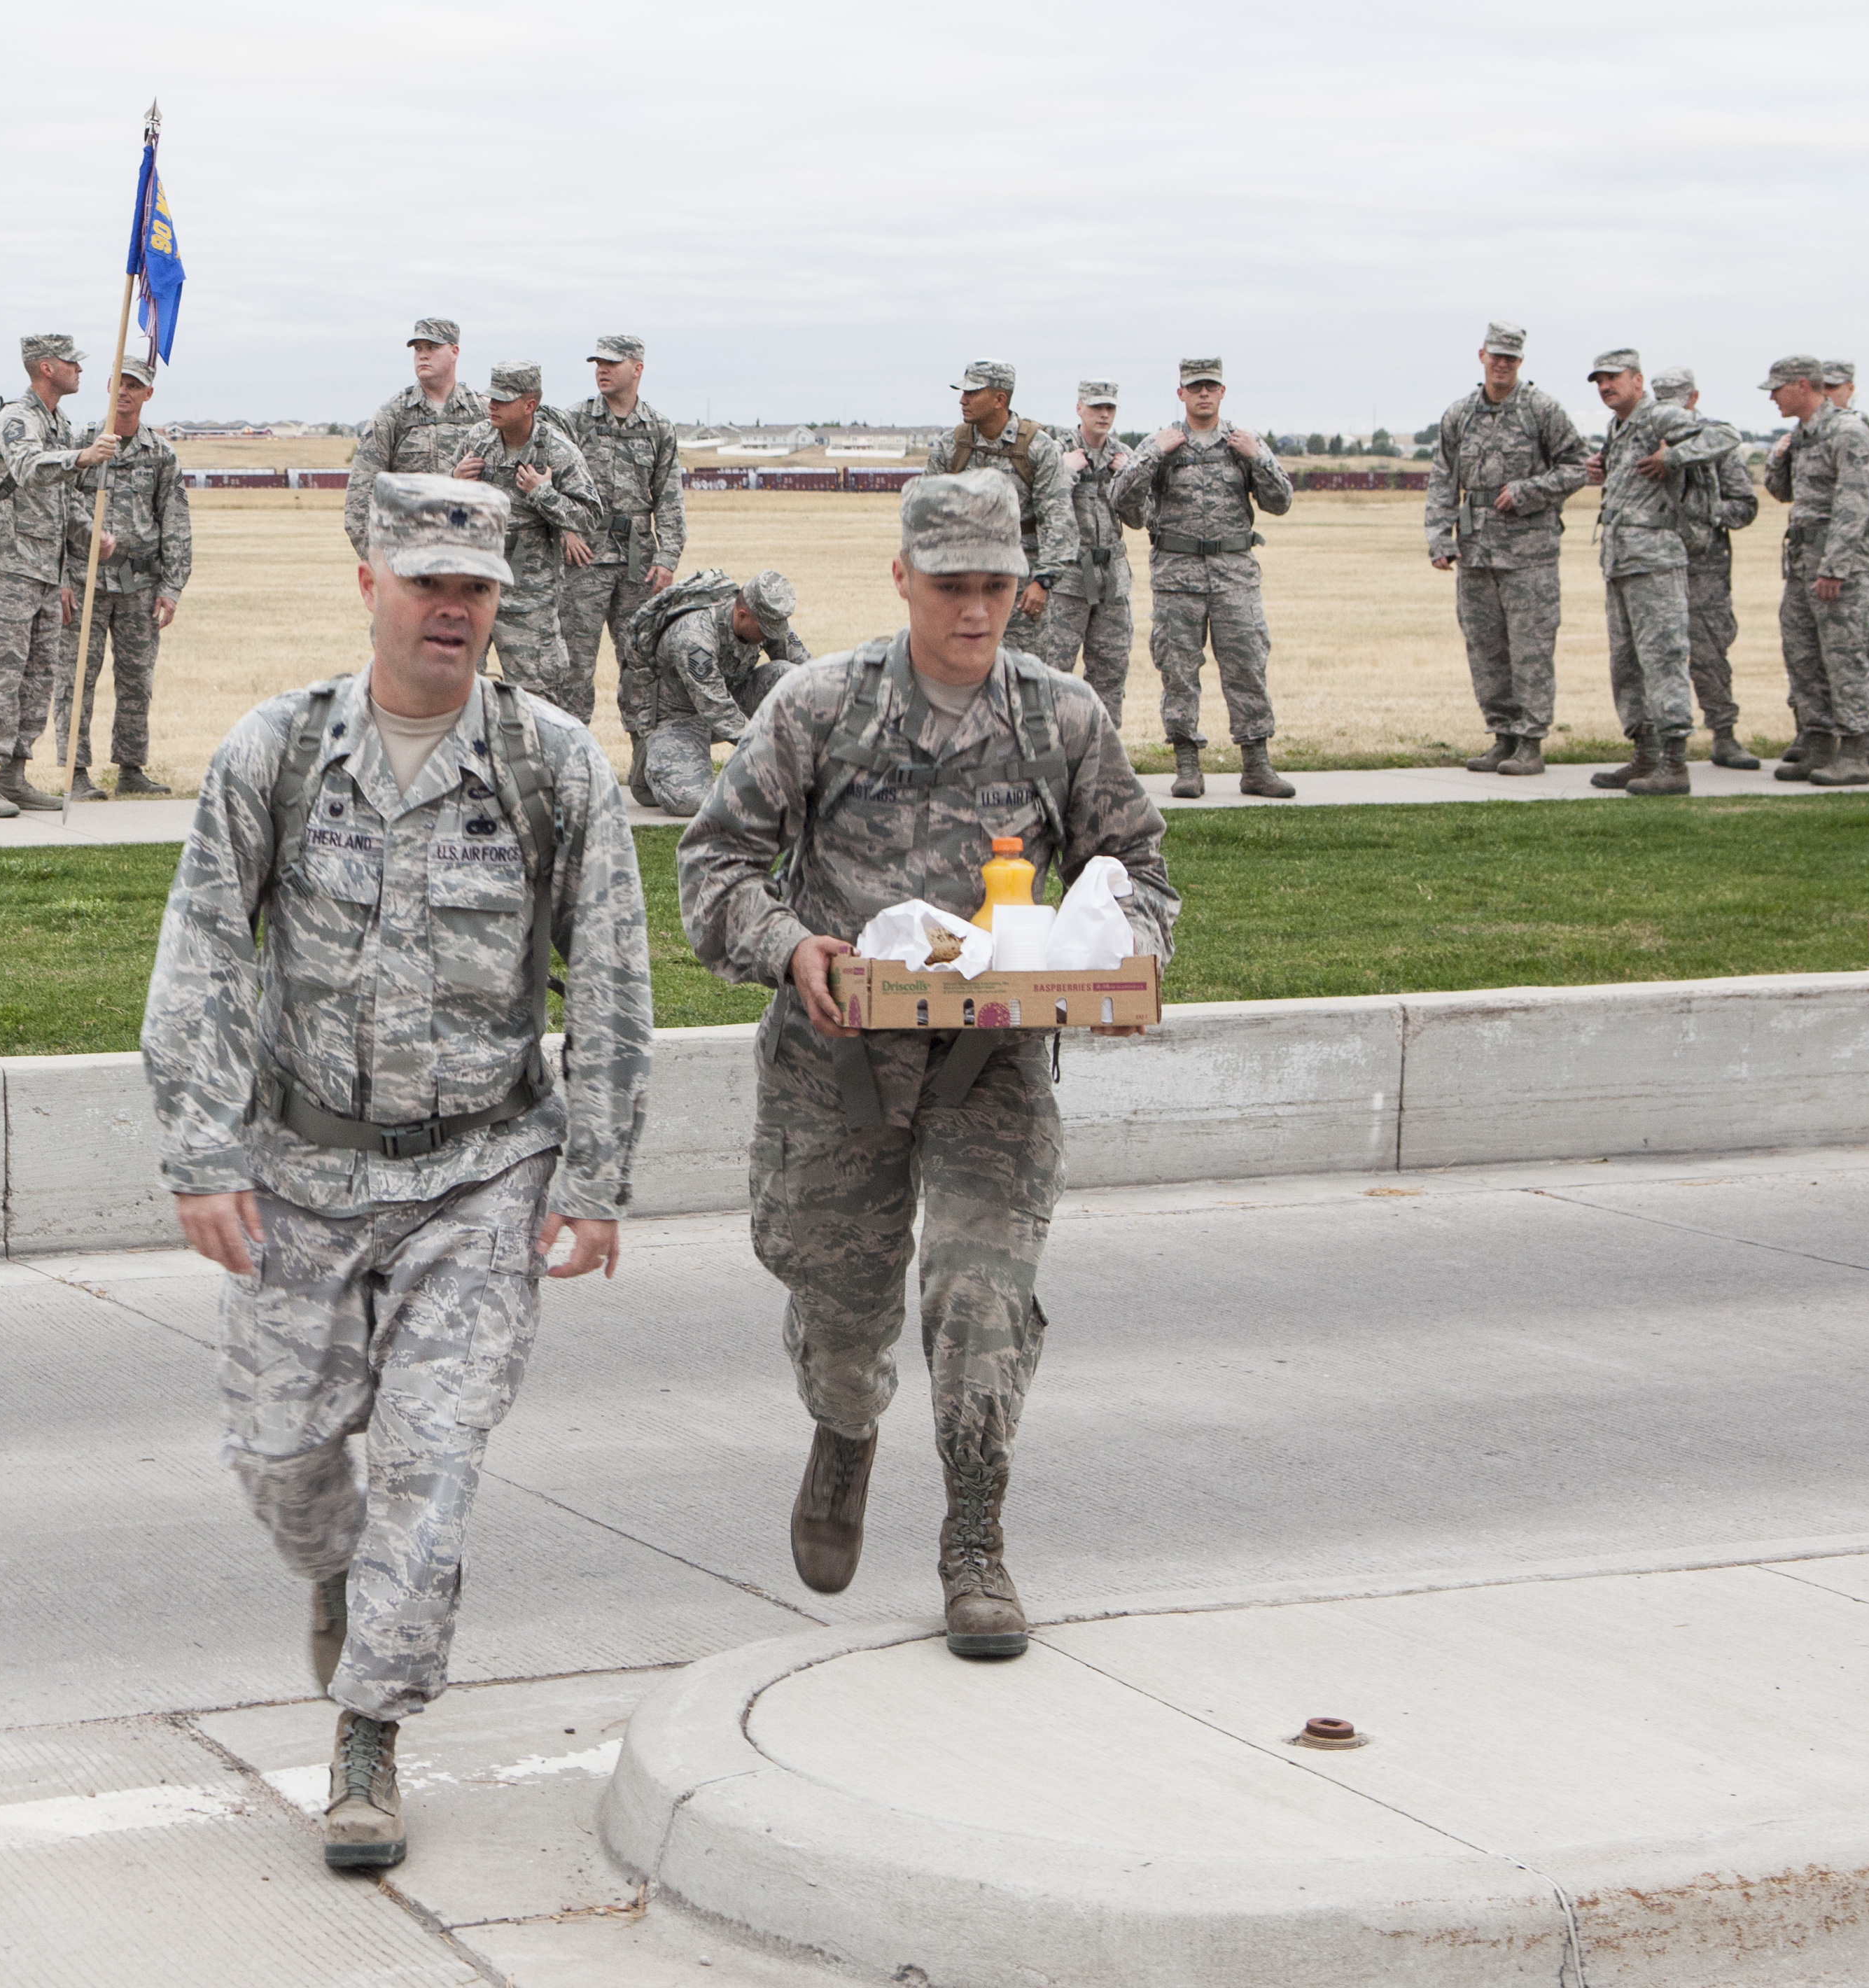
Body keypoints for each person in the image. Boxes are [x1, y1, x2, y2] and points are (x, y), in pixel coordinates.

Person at [141, 470, 654, 1872]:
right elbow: (199, 952)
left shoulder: (549, 764)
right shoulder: (279, 752)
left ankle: (368, 1730)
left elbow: (609, 977)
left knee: (430, 1463)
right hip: (299, 1167)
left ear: (501, 599)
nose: (451, 609)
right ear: (367, 580)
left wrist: (594, 1177)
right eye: (426, 580)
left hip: (480, 1171)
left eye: (475, 587)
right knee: (280, 1455)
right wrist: (200, 1149)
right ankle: (332, 1575)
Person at [676, 470, 1175, 1662]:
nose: (973, 610)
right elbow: (715, 871)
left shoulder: (1060, 720)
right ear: (902, 579)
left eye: (996, 587)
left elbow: (1138, 871)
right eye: (950, 585)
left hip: (990, 1066)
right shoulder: (817, 708)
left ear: (1025, 592)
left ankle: (975, 1540)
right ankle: (843, 1431)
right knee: (840, 1313)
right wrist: (792, 950)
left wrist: (1120, 958)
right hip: (836, 1065)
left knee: (979, 1292)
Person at [1109, 359, 1298, 798]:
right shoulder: (1160, 444)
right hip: (1177, 578)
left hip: (1235, 578)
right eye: (1195, 388)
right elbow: (1122, 501)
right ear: (1181, 394)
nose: (1203, 395)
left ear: (1223, 391)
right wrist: (1155, 453)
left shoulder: (1242, 444)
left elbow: (1281, 502)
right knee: (1178, 671)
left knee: (1247, 666)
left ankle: (1256, 765)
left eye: (1210, 387)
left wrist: (1259, 458)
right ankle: (1187, 764)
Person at [1424, 321, 1592, 776]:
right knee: (1486, 648)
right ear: (1482, 356)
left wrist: (1529, 490)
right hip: (1475, 552)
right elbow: (1443, 478)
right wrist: (1440, 537)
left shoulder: (1542, 409)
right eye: (1496, 356)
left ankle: (1531, 743)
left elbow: (1582, 466)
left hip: (1529, 555)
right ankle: (1502, 736)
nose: (1502, 364)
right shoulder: (1460, 414)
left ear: (1520, 362)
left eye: (1511, 359)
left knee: (1530, 648)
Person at [0, 333, 120, 819]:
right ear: (47, 367)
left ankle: (15, 777)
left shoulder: (60, 423)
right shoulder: (17, 420)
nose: (81, 370)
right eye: (73, 362)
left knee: (37, 680)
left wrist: (93, 533)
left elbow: (61, 498)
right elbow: (30, 468)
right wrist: (82, 457)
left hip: (46, 572)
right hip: (8, 567)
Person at [1579, 349, 1736, 796]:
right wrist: (1600, 468)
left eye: (1613, 378)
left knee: (1663, 659)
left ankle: (1674, 764)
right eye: (1599, 381)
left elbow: (1724, 435)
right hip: (1621, 562)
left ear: (1637, 380)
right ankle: (1644, 755)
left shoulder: (1658, 416)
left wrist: (1674, 459)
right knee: (1627, 665)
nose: (1605, 387)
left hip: (1655, 562)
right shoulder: (1619, 426)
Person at [555, 336, 687, 795]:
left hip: (638, 564)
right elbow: (546, 479)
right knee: (574, 667)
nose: (601, 370)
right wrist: (565, 527)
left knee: (641, 664)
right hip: (583, 559)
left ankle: (648, 770)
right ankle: (571, 771)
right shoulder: (573, 421)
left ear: (638, 368)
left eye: (612, 363)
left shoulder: (658, 428)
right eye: (597, 363)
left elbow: (669, 499)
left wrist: (668, 558)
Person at [57, 354, 191, 800]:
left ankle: (131, 767)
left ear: (148, 394)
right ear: (109, 386)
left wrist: (172, 588)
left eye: (136, 386)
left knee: (136, 679)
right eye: (120, 383)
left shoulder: (161, 454)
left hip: (140, 586)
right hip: (85, 582)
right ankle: (75, 773)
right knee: (77, 678)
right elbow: (55, 512)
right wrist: (59, 578)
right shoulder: (81, 444)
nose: (126, 392)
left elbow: (175, 524)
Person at [454, 363, 606, 717]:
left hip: (528, 599)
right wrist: (454, 479)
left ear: (529, 405)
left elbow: (590, 515)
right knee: (457, 692)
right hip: (472, 588)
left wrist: (543, 494)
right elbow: (441, 506)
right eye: (491, 397)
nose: (493, 406)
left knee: (535, 704)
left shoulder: (557, 452)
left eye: (503, 400)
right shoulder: (477, 441)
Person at [1759, 354, 1869, 786]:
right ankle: (1817, 742)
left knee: (1843, 656)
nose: (1772, 397)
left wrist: (1835, 568)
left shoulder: (1847, 431)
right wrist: (1778, 457)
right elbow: (1780, 492)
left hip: (1837, 565)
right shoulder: (1802, 436)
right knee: (1802, 653)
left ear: (1804, 386)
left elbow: (1854, 505)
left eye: (1778, 388)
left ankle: (1853, 751)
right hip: (1802, 562)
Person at [922, 360, 1077, 654]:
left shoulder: (1037, 448)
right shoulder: (951, 447)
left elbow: (1058, 519)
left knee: (1024, 675)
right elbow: (926, 516)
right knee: (957, 670)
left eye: (972, 393)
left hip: (1019, 582)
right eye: (962, 392)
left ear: (999, 400)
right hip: (960, 578)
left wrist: (1043, 581)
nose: (962, 400)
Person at [1650, 368, 1761, 768]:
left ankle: (1724, 735)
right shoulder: (1644, 437)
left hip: (1704, 565)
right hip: (1653, 560)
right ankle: (1653, 746)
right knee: (1650, 653)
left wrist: (1704, 513)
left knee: (1710, 650)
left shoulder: (1716, 443)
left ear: (1694, 399)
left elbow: (1745, 506)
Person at [636, 569, 812, 816]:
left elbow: (808, 671)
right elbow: (717, 708)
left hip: (732, 698)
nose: (769, 636)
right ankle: (652, 754)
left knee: (789, 676)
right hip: (680, 718)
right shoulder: (693, 637)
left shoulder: (761, 617)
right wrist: (770, 757)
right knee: (691, 802)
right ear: (742, 615)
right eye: (765, 630)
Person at [342, 318, 489, 557]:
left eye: (432, 348)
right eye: (418, 348)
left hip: (469, 556)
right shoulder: (393, 415)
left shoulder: (483, 413)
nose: (423, 355)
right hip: (411, 556)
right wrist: (381, 564)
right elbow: (360, 500)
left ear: (454, 352)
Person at [1037, 382, 1136, 725]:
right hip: (1069, 579)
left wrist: (1128, 479)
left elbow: (1140, 517)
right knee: (1055, 669)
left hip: (1112, 580)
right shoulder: (1057, 452)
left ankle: (1105, 757)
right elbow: (1042, 507)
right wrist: (1065, 472)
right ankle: (1053, 753)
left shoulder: (1123, 455)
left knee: (1111, 670)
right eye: (1096, 407)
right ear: (1079, 408)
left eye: (1110, 408)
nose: (1104, 414)